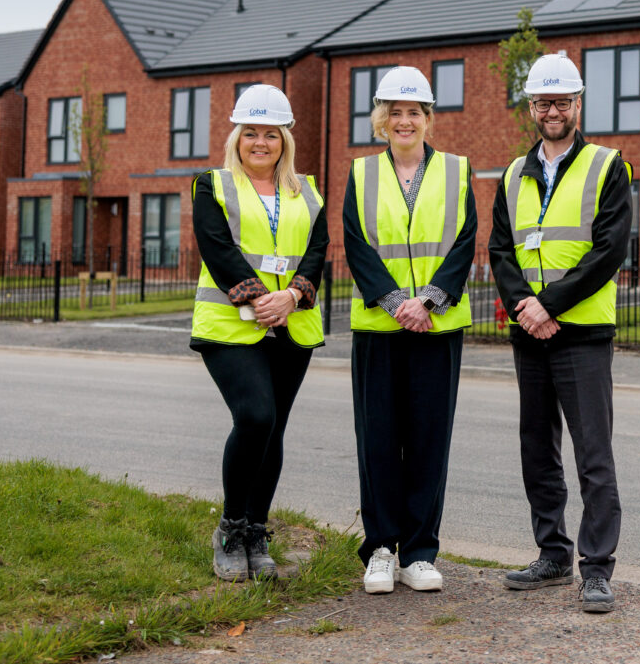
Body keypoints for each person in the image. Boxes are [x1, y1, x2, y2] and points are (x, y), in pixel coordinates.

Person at [488, 52, 632, 613]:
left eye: (562, 101)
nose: (553, 110)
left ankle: (596, 569)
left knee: (594, 455)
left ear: (578, 104)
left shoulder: (607, 164)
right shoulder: (511, 174)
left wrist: (547, 304)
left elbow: (609, 250)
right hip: (530, 332)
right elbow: (501, 250)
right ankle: (552, 553)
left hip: (582, 333)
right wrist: (525, 309)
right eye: (543, 102)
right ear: (531, 107)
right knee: (536, 449)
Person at [342, 65, 476, 595]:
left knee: (427, 440)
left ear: (428, 119)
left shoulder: (458, 171)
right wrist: (400, 302)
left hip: (438, 326)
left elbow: (464, 241)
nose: (404, 121)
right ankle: (379, 548)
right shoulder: (360, 173)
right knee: (377, 438)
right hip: (380, 325)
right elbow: (356, 244)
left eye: (414, 112)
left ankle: (419, 552)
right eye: (395, 112)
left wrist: (429, 301)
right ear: (381, 119)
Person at [191, 84, 327, 582]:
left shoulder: (306, 190)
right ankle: (230, 527)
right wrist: (256, 298)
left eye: (271, 134)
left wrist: (291, 296)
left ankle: (256, 530)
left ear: (285, 140)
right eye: (251, 133)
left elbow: (317, 251)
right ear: (237, 137)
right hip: (230, 324)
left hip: (291, 325)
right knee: (255, 415)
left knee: (273, 430)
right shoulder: (212, 184)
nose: (261, 143)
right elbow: (216, 246)